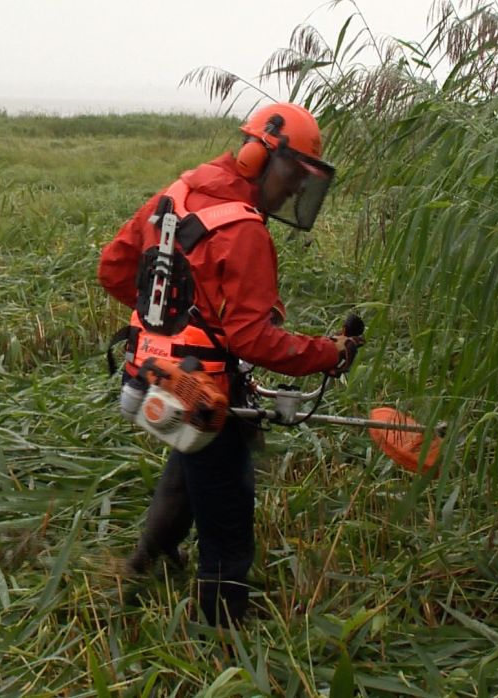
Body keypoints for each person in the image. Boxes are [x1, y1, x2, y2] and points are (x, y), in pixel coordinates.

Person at [97, 102, 360, 627]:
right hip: (195, 391)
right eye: (291, 174)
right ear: (255, 155)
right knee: (228, 511)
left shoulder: (176, 195)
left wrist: (165, 324)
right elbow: (256, 339)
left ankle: (143, 563)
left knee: (188, 466)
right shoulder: (243, 230)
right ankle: (222, 627)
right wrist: (330, 353)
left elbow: (113, 269)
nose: (292, 191)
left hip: (147, 377)